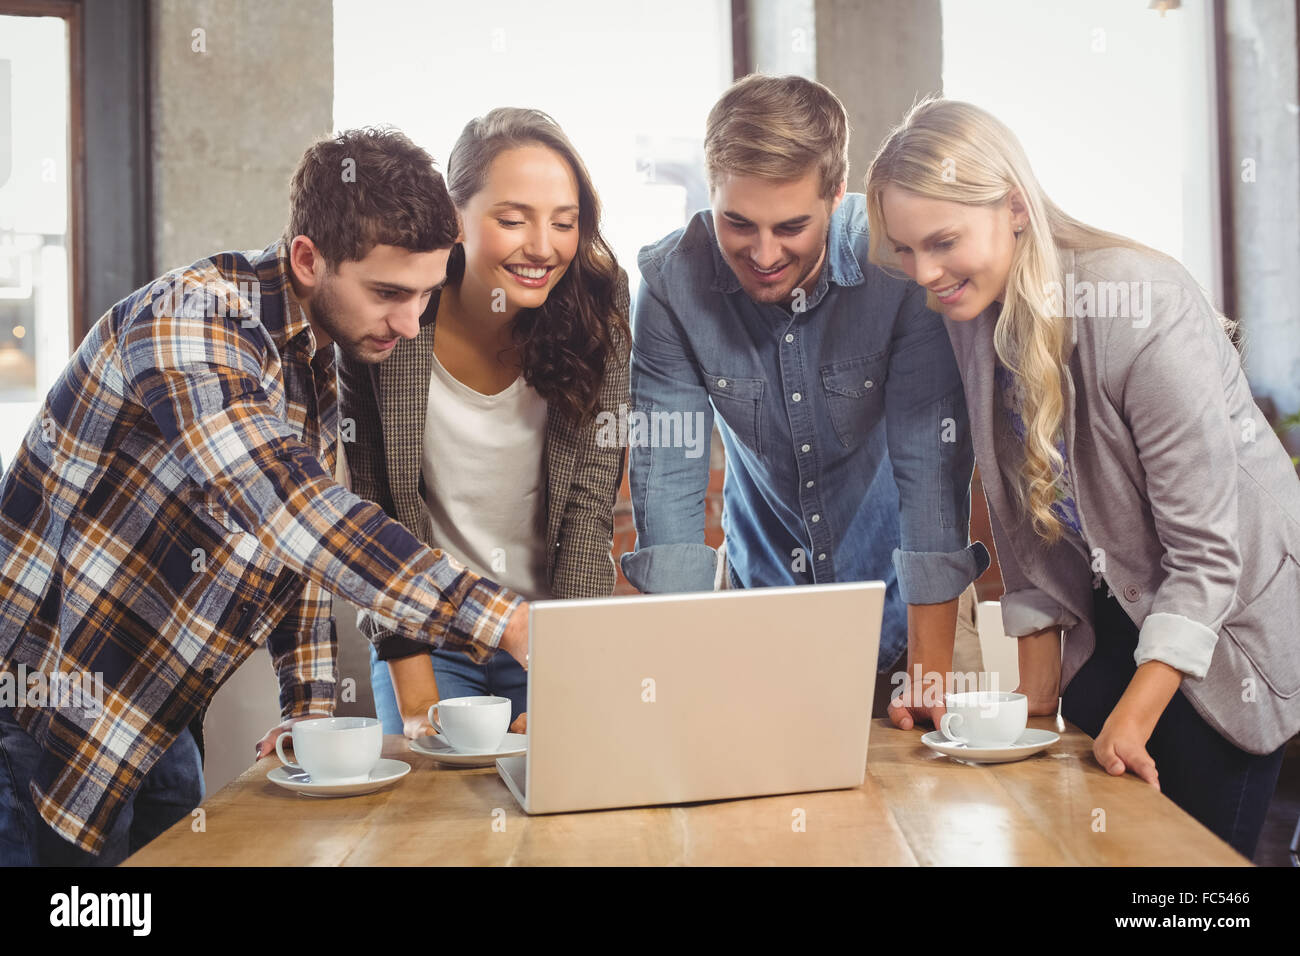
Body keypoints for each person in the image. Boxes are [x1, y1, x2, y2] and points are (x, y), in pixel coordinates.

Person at [0, 127, 531, 866]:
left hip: (156, 717)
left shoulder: (312, 362)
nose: (410, 325)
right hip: (35, 719)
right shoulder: (191, 320)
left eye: (425, 296)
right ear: (308, 258)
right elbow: (291, 510)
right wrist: (502, 619)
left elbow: (298, 557)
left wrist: (307, 714)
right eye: (388, 293)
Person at [865, 97, 1300, 858]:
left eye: (941, 242)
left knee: (1195, 883)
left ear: (1014, 208)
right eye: (904, 250)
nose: (925, 275)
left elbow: (1206, 556)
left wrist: (1131, 723)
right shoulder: (969, 315)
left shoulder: (1142, 306)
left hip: (1230, 631)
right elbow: (1024, 524)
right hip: (1116, 616)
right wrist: (1034, 709)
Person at [621, 74, 989, 722]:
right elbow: (669, 498)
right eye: (738, 222)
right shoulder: (672, 287)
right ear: (711, 193)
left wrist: (929, 675)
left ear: (836, 196)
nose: (763, 254)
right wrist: (666, 682)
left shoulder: (898, 271)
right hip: (764, 617)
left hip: (914, 610)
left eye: (791, 226)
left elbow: (929, 472)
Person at [339, 108, 629, 739]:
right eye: (512, 219)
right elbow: (375, 510)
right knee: (435, 817)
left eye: (565, 222)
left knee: (562, 810)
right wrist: (418, 705)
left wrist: (570, 676)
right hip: (429, 634)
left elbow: (588, 510)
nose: (543, 246)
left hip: (551, 631)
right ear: (456, 219)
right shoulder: (390, 316)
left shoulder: (597, 308)